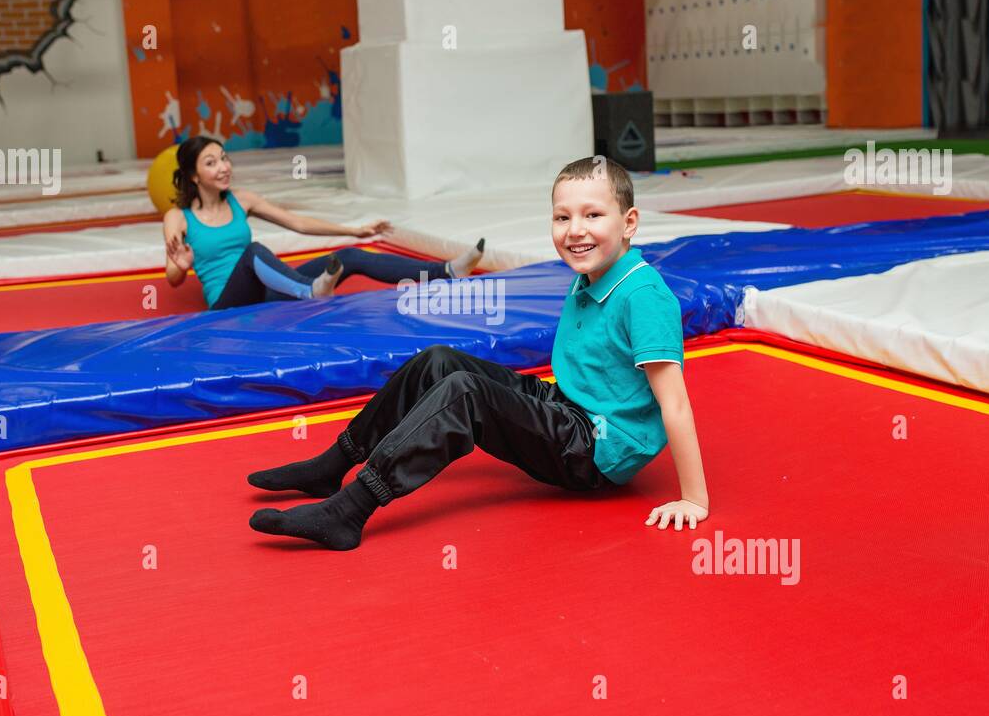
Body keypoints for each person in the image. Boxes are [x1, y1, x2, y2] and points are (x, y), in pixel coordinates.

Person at [247, 155, 710, 550]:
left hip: (594, 449)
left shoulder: (642, 295)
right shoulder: (592, 273)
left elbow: (675, 403)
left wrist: (694, 499)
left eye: (593, 216)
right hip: (571, 408)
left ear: (629, 222)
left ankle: (351, 509)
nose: (575, 231)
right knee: (439, 361)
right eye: (562, 217)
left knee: (464, 393)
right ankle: (335, 463)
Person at [162, 136, 485, 309]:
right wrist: (181, 264)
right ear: (193, 175)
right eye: (211, 162)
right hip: (226, 305)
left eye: (224, 158)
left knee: (348, 257)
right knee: (254, 252)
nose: (223, 167)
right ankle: (308, 291)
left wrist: (353, 230)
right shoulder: (178, 217)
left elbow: (297, 222)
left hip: (268, 294)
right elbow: (173, 277)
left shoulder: (242, 200)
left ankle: (446, 272)